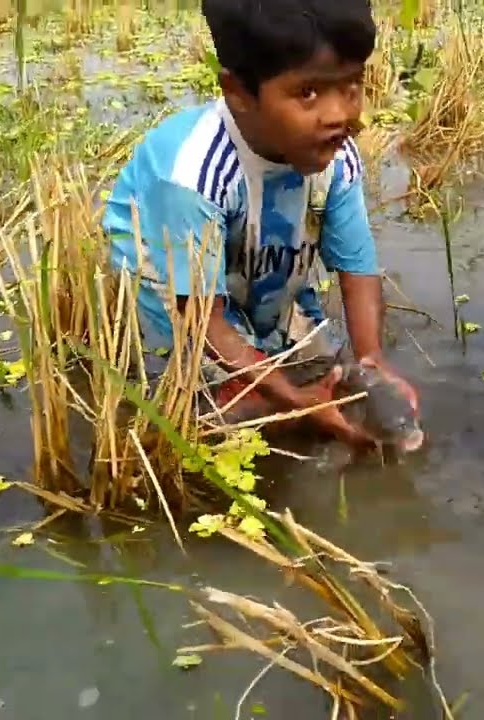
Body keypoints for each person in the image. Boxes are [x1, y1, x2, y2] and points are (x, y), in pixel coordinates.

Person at [101, 0, 418, 450]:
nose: (338, 114)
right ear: (239, 93)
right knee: (233, 421)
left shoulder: (336, 157)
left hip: (260, 283)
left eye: (351, 86)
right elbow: (200, 320)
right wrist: (295, 401)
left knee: (339, 380)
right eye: (308, 93)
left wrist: (373, 366)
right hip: (180, 311)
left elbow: (358, 270)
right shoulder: (194, 174)